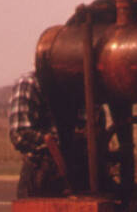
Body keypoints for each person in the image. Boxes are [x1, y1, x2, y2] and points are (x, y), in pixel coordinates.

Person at [6, 69, 90, 198]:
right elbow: (20, 134)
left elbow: (89, 128)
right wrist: (55, 144)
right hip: (42, 177)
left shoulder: (81, 86)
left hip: (80, 174)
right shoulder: (30, 83)